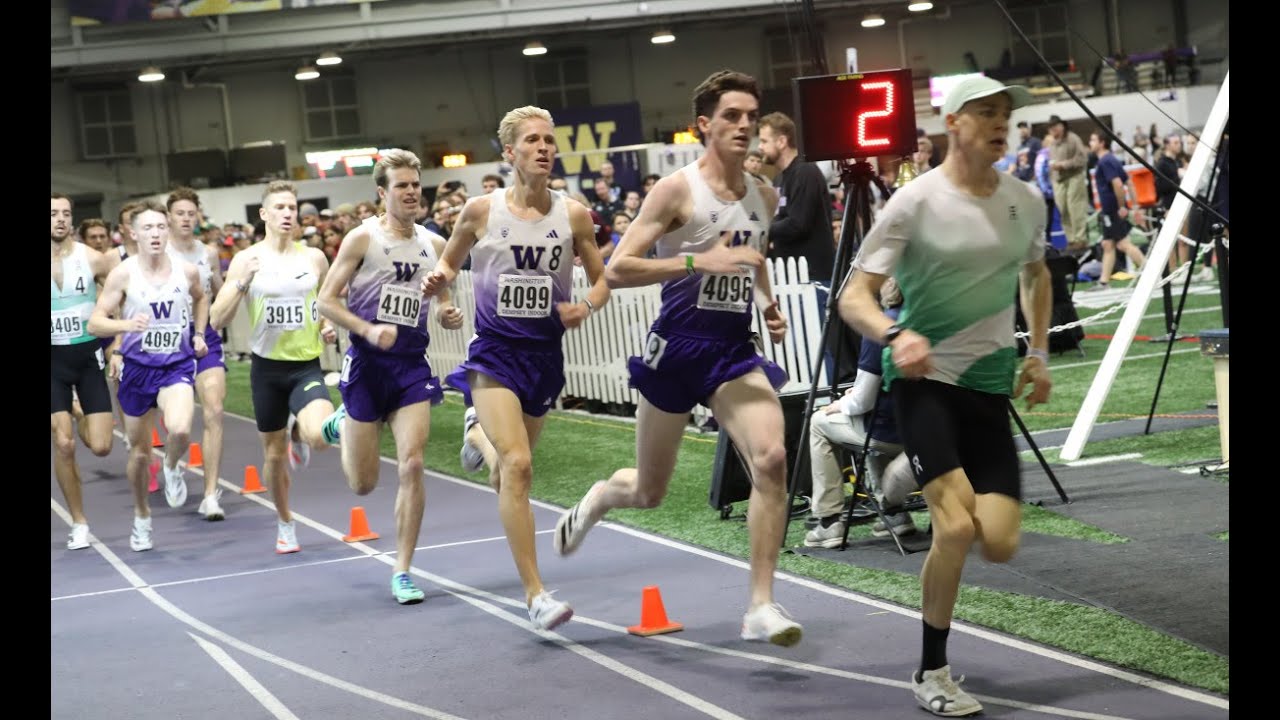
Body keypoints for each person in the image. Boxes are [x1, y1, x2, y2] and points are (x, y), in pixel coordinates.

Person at [550, 70, 803, 647]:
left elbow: (753, 258)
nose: (744, 126)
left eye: (750, 117)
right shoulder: (676, 191)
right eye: (732, 116)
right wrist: (695, 263)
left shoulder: (765, 193)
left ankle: (761, 605)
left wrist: (768, 307)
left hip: (732, 353)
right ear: (704, 125)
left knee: (770, 457)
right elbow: (616, 269)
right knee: (650, 492)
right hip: (675, 350)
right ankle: (599, 498)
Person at [838, 76, 1052, 716]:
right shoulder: (913, 203)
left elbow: (1036, 274)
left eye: (1005, 114)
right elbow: (854, 296)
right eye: (985, 113)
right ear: (952, 122)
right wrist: (895, 334)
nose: (999, 123)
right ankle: (932, 670)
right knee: (954, 527)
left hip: (988, 388)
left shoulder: (1025, 200)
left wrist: (1037, 351)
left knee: (1001, 541)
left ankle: (901, 471)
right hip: (923, 382)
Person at [422, 105, 610, 630]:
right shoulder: (481, 211)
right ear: (510, 153)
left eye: (550, 139)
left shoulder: (572, 215)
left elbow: (601, 280)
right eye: (532, 140)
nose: (545, 148)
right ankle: (536, 595)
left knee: (508, 469)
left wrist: (586, 307)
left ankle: (475, 436)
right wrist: (438, 284)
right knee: (521, 467)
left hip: (544, 357)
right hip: (494, 354)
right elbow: (448, 262)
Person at [316, 149, 463, 603]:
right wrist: (365, 328)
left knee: (413, 463)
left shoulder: (434, 244)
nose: (412, 191)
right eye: (402, 185)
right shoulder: (362, 240)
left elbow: (443, 295)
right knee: (362, 484)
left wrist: (446, 312)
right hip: (365, 364)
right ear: (383, 193)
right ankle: (343, 422)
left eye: (416, 184)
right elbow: (326, 301)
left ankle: (402, 570)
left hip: (409, 365)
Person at [210, 181, 340, 544]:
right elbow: (217, 320)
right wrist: (241, 284)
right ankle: (285, 522)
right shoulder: (246, 259)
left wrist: (328, 326)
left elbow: (327, 303)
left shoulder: (313, 257)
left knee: (320, 438)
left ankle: (301, 429)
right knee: (273, 454)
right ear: (264, 214)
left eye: (292, 207)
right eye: (279, 207)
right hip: (266, 370)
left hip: (306, 365)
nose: (287, 213)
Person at [89, 199, 210, 552]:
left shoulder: (186, 271)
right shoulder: (123, 274)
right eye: (147, 228)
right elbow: (95, 321)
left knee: (182, 427)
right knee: (140, 454)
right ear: (133, 233)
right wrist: (126, 325)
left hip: (176, 365)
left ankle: (172, 465)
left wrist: (199, 333)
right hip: (137, 370)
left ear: (167, 231)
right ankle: (142, 517)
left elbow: (201, 299)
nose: (155, 234)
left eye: (160, 227)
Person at [805, 277, 917, 548]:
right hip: (929, 433)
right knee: (870, 420)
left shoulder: (882, 327)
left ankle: (828, 522)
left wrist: (842, 404)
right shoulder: (936, 323)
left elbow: (863, 401)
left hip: (888, 434)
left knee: (821, 422)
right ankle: (893, 513)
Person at [51, 193, 118, 550]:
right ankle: (79, 522)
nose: (60, 219)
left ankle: (79, 414)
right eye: (52, 214)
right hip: (52, 361)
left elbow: (118, 291)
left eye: (65, 213)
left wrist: (116, 343)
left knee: (103, 446)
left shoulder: (93, 258)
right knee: (62, 445)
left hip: (88, 354)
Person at [165, 187, 228, 517]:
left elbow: (220, 290)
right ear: (168, 218)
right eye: (180, 213)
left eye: (191, 213)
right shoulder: (159, 253)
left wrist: (239, 287)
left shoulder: (209, 252)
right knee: (180, 423)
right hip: (170, 339)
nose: (186, 218)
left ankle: (210, 495)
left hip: (206, 336)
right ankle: (172, 462)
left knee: (215, 410)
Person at [1089, 131, 1146, 288]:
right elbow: (1129, 183)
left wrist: (1122, 207)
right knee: (1108, 244)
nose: (1090, 143)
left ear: (1102, 142)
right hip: (1111, 211)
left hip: (1113, 211)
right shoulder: (1112, 159)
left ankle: (1150, 273)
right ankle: (1104, 282)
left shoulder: (1106, 161)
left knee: (1123, 244)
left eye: (1093, 139)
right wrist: (1134, 207)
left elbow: (1119, 184)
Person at [1047, 115, 1090, 254]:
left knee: (1075, 207)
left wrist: (1064, 165)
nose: (1054, 130)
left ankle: (1080, 239)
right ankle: (1071, 239)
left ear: (1062, 126)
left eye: (1056, 127)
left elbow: (1082, 159)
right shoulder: (1052, 143)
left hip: (1074, 177)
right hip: (1058, 180)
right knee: (1063, 209)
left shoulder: (1073, 139)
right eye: (1051, 128)